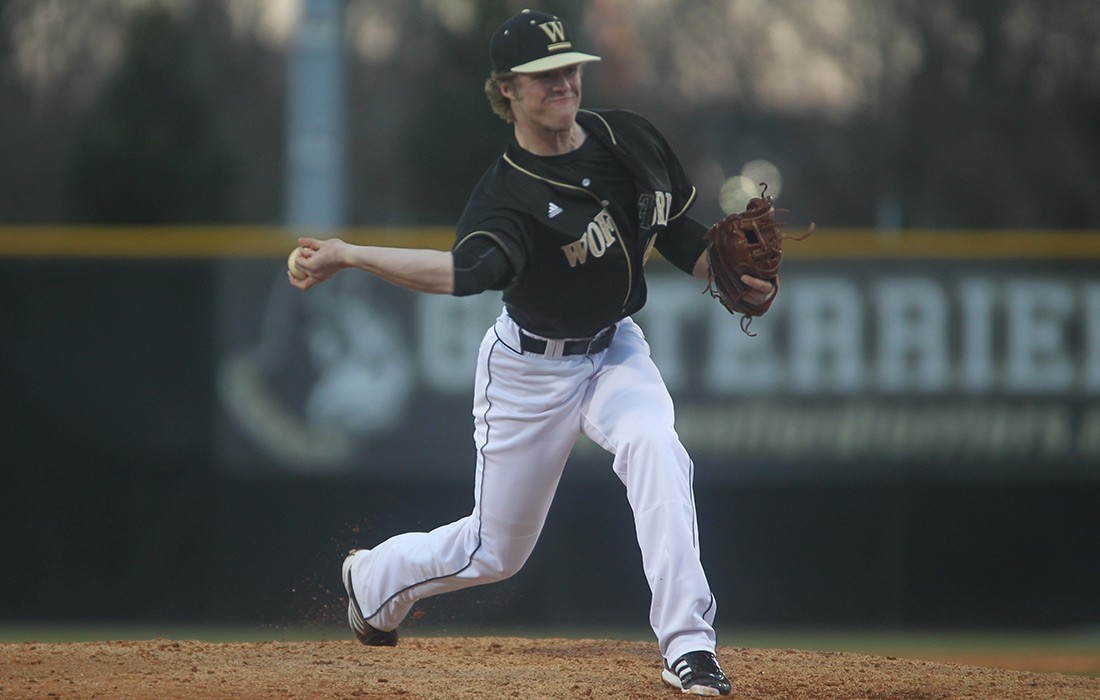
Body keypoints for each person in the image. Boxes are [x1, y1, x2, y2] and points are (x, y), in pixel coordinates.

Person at [289, 9, 775, 696]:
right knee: (496, 552)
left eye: (569, 68)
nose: (563, 84)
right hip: (529, 371)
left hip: (615, 351)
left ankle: (690, 646)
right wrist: (350, 254)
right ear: (506, 91)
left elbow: (675, 234)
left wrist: (727, 272)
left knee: (655, 447)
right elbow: (460, 274)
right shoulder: (506, 196)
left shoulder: (626, 138)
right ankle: (374, 581)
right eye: (544, 76)